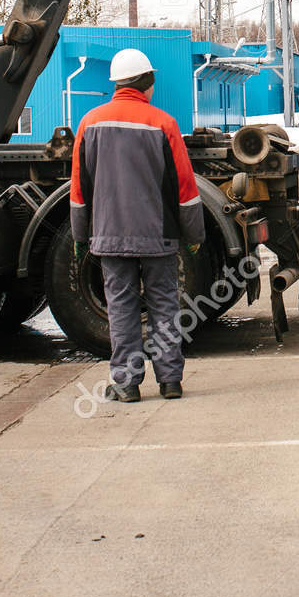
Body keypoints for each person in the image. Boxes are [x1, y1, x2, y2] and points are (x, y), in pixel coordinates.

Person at [69, 48, 204, 401]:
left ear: (117, 84)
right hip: (157, 236)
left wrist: (80, 235)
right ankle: (170, 380)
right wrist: (194, 234)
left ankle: (127, 385)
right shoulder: (163, 124)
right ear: (147, 82)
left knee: (121, 308)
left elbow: (79, 187)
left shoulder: (89, 123)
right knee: (164, 304)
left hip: (109, 235)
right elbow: (185, 187)